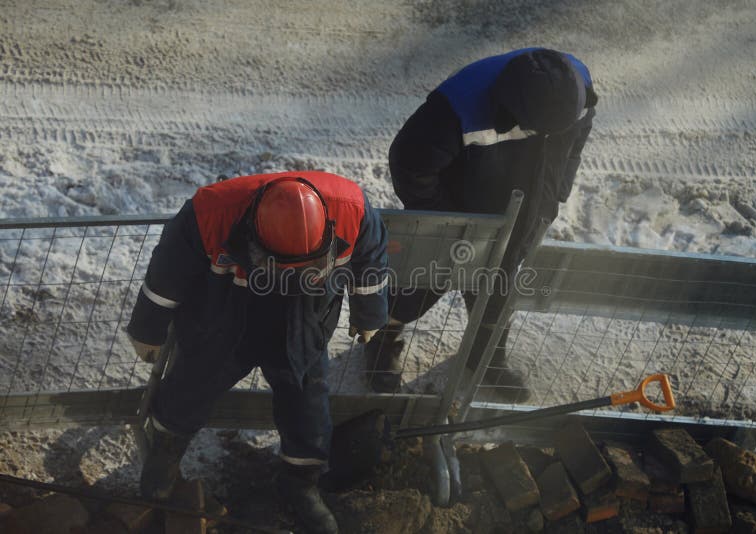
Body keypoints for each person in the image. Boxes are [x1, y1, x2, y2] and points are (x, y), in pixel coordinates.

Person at [127, 171, 388, 534]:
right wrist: (147, 328)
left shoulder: (352, 209)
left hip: (303, 315)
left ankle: (299, 484)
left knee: (307, 401)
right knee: (190, 385)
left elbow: (371, 259)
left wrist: (370, 312)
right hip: (227, 311)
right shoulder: (210, 213)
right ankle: (164, 459)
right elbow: (167, 272)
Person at [366, 48, 597, 401]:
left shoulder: (575, 90)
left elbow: (573, 148)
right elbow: (409, 164)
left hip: (520, 212)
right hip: (459, 208)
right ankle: (384, 335)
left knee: (498, 290)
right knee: (425, 279)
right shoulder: (457, 107)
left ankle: (486, 358)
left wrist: (555, 196)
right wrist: (447, 221)